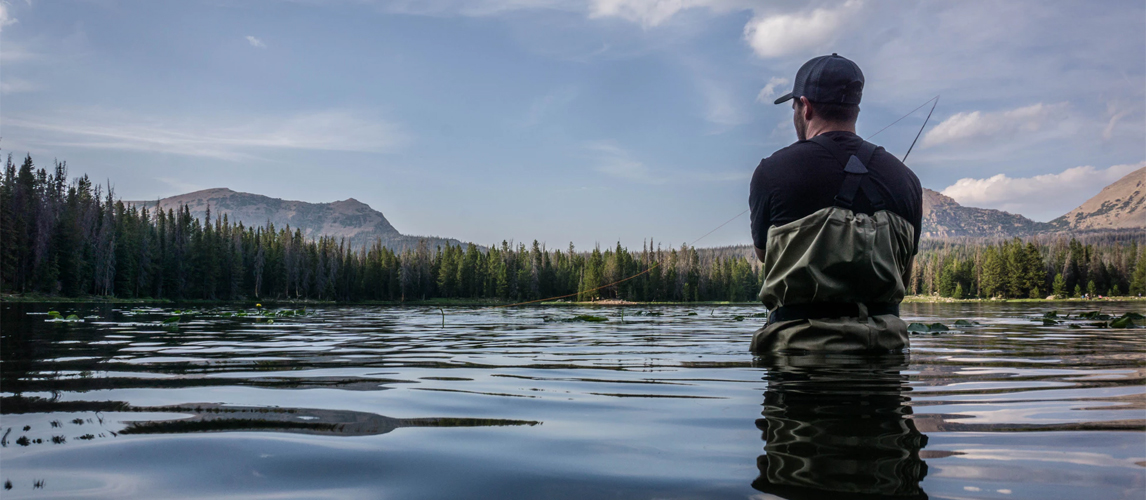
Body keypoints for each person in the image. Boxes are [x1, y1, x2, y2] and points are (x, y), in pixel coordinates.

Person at [749, 53, 923, 354]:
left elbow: (766, 256)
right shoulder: (907, 180)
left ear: (806, 107)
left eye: (794, 107)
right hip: (884, 359)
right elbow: (904, 275)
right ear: (855, 109)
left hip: (798, 362)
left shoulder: (772, 171)